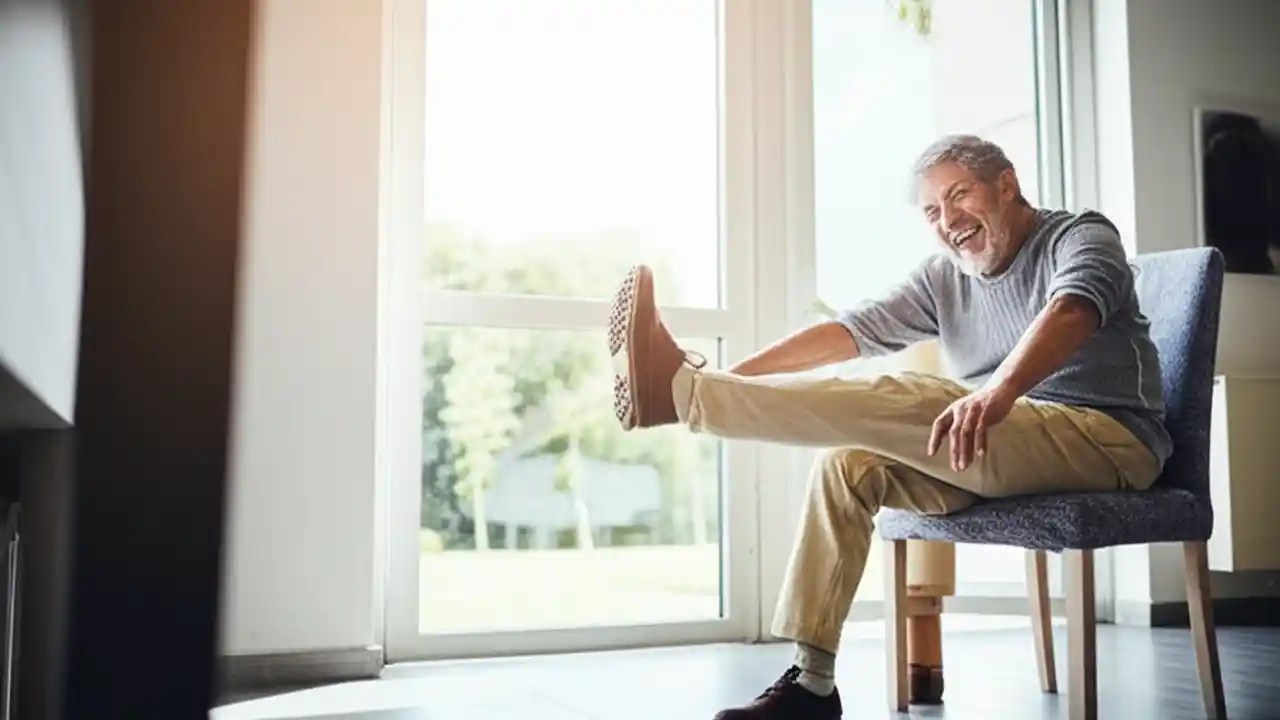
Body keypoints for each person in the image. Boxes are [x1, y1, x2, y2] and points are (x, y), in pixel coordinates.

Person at [606, 135, 1169, 719]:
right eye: (932, 212)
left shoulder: (1080, 236)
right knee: (847, 466)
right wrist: (733, 376)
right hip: (996, 441)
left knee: (915, 396)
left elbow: (1072, 308)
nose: (949, 221)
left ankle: (685, 397)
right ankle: (813, 686)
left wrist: (1000, 389)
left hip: (1106, 439)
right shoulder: (943, 279)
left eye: (960, 196)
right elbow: (848, 332)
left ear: (1006, 185)